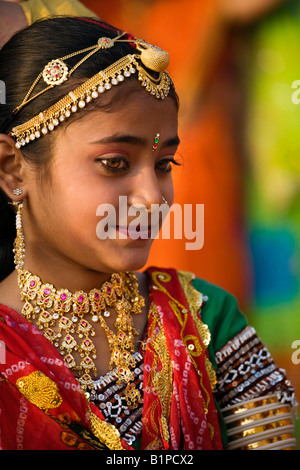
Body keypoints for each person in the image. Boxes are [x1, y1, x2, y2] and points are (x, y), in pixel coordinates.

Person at [0, 16, 296, 451]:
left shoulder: (207, 321)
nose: (153, 198)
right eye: (115, 162)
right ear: (12, 168)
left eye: (164, 165)